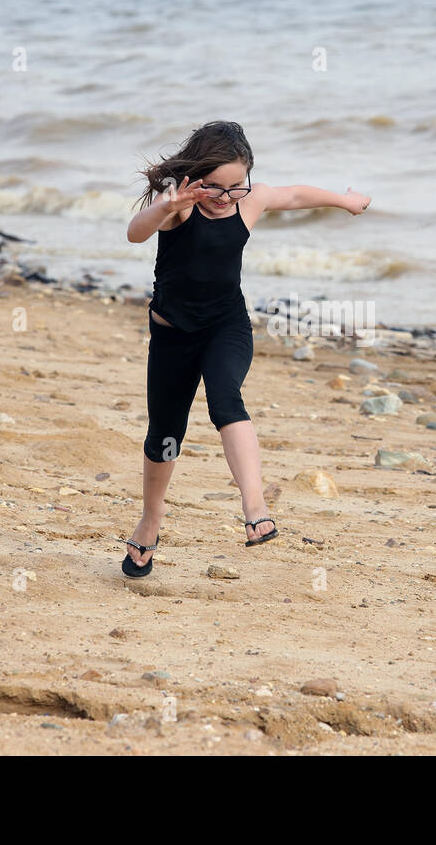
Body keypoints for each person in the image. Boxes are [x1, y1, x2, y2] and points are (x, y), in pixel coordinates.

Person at [121, 121, 370, 577]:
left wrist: (346, 200)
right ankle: (150, 521)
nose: (226, 197)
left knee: (225, 399)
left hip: (226, 326)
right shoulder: (176, 208)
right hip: (173, 334)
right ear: (195, 178)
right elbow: (136, 233)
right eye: (215, 187)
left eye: (237, 186)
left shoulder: (248, 201)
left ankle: (255, 508)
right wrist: (166, 207)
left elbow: (293, 196)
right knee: (164, 434)